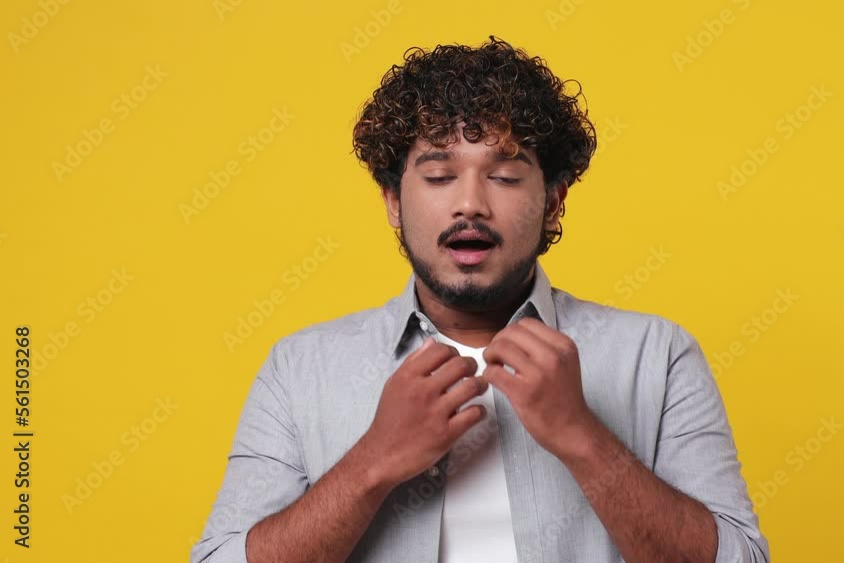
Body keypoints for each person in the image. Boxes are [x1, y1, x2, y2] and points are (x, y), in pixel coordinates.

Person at [192, 36, 769, 563]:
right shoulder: (300, 369)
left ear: (553, 202)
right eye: (439, 176)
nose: (470, 204)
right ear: (394, 202)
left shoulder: (657, 355)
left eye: (506, 177)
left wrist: (582, 436)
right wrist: (372, 462)